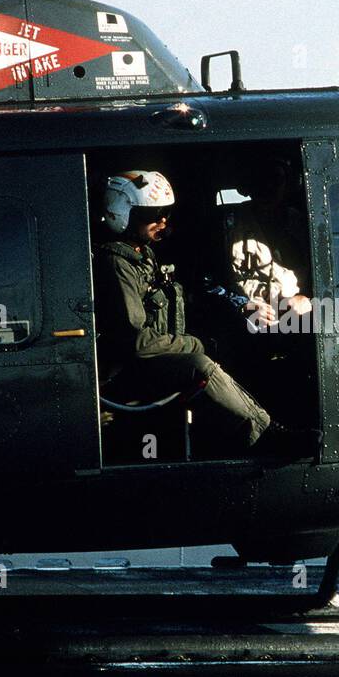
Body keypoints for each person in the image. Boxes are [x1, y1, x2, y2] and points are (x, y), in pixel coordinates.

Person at [92, 170, 305, 455]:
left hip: (155, 359)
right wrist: (199, 343)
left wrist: (238, 310)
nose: (163, 221)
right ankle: (265, 436)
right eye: (153, 214)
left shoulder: (144, 256)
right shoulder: (117, 264)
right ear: (122, 214)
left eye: (165, 212)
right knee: (199, 364)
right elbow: (138, 343)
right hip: (129, 371)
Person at [221, 157, 313, 329]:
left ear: (287, 184)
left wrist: (307, 298)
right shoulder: (229, 224)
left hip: (298, 321)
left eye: (275, 179)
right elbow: (209, 282)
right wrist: (242, 306)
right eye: (260, 180)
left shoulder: (304, 223)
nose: (268, 187)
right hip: (244, 324)